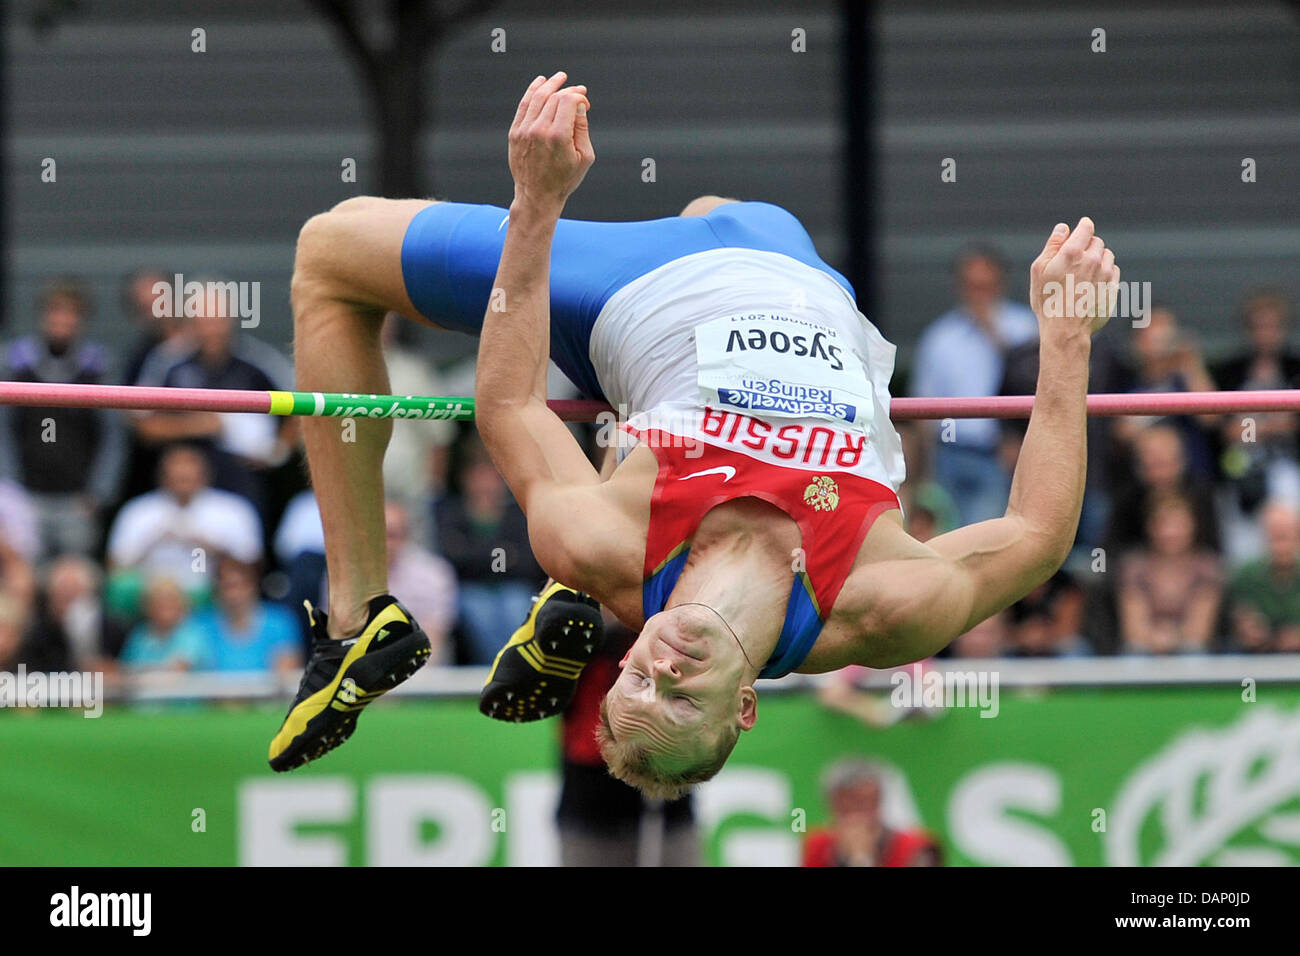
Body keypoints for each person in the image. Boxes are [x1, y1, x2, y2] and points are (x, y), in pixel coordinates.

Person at [270, 73, 1120, 796]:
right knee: (713, 209)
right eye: (681, 700)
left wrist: (536, 205)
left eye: (636, 678)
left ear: (630, 650)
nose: (663, 670)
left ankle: (358, 618)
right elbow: (1034, 539)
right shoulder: (880, 604)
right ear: (744, 708)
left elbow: (513, 408)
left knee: (328, 254)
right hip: (787, 261)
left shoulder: (602, 538)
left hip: (622, 290)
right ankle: (568, 592)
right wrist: (1066, 342)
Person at [910, 243, 1038, 526]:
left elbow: (1035, 385)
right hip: (950, 455)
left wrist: (991, 331)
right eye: (971, 286)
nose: (978, 294)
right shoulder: (940, 336)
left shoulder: (1025, 327)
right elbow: (924, 408)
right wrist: (926, 469)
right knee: (946, 540)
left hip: (1000, 457)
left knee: (985, 538)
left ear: (999, 284)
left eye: (985, 286)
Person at [0, 277, 126, 558]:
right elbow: (3, 429)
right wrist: (9, 489)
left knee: (74, 580)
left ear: (82, 320)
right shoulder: (15, 362)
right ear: (43, 315)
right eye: (55, 311)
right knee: (22, 576)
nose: (62, 320)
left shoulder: (98, 367)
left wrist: (98, 493)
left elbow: (113, 435)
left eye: (71, 313)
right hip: (24, 496)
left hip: (77, 499)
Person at [1116, 493, 1224, 655]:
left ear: (1193, 526)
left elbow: (1200, 631)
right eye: (1164, 525)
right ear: (1150, 527)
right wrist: (1155, 638)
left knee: (1194, 654)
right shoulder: (1134, 568)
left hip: (1191, 648)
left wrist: (1171, 637)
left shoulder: (1207, 568)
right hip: (1144, 647)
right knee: (1133, 656)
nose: (1171, 533)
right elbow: (1133, 630)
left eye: (1179, 525)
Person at [802, 760, 940, 867]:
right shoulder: (819, 845)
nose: (857, 815)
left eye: (867, 803)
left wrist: (861, 859)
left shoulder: (916, 847)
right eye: (848, 805)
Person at [1227, 500, 1300, 653]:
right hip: (1259, 655)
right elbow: (1241, 616)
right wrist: (1249, 629)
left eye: (1285, 534)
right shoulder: (1247, 574)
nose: (1280, 543)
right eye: (1274, 534)